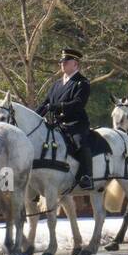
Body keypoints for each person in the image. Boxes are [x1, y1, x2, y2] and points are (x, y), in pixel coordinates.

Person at [35, 48, 96, 190]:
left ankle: (86, 176)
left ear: (75, 64)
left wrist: (57, 106)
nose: (62, 64)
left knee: (80, 143)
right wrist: (36, 116)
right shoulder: (56, 84)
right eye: (61, 61)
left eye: (65, 61)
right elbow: (45, 103)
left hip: (75, 124)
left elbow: (78, 104)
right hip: (58, 125)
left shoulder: (82, 82)